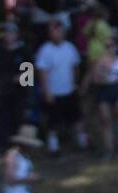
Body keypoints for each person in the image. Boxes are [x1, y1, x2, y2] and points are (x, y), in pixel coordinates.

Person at [34, 18, 86, 155]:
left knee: (76, 117)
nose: (57, 34)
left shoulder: (70, 47)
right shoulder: (45, 50)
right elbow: (42, 73)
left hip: (69, 90)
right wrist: (46, 91)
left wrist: (76, 83)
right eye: (53, 31)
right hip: (54, 92)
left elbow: (75, 67)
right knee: (53, 120)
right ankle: (53, 147)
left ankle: (83, 141)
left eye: (59, 30)